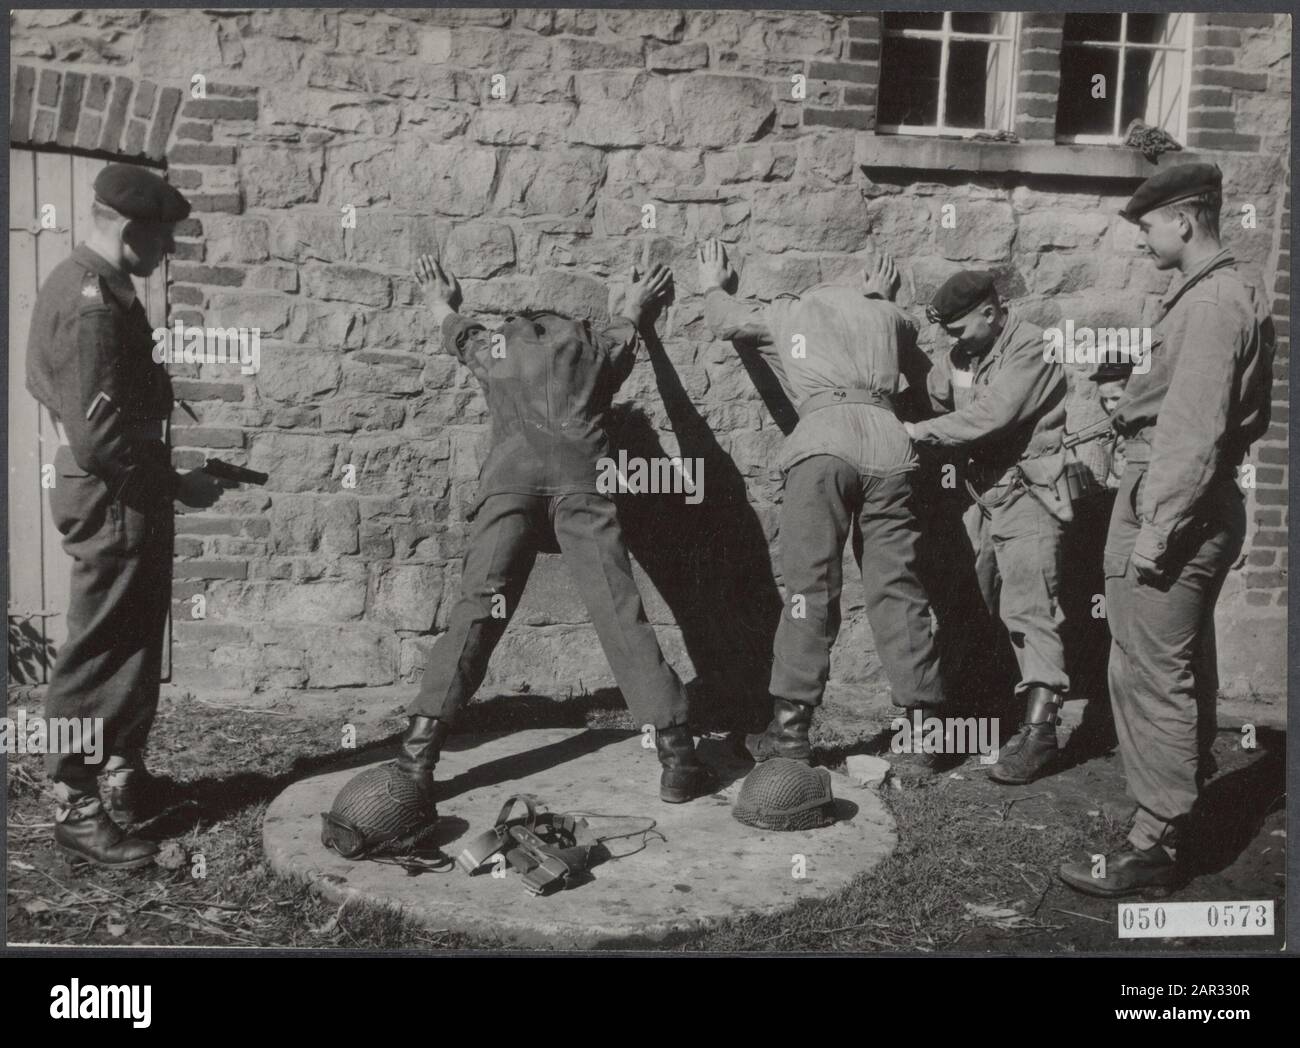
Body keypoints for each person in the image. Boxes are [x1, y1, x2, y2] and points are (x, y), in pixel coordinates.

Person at [389, 255, 717, 814]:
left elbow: (457, 329)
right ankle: (678, 757)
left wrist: (441, 301)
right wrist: (633, 298)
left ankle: (418, 757)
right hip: (583, 481)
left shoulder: (496, 347)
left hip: (510, 481)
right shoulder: (591, 348)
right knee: (619, 608)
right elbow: (627, 324)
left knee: (477, 610)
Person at [1060, 163, 1274, 896]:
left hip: (1173, 497)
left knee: (1150, 673)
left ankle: (1157, 843)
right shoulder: (1209, 294)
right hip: (1175, 492)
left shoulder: (1212, 304)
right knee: (1172, 665)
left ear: (1184, 219)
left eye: (1148, 226)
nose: (1143, 240)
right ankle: (1178, 808)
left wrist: (1157, 531)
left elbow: (1191, 432)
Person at [25, 164, 223, 869]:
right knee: (101, 649)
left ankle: (117, 776)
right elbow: (99, 439)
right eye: (165, 237)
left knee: (134, 638)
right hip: (115, 493)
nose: (169, 251)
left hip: (122, 490)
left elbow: (47, 387)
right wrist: (177, 484)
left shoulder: (95, 283)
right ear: (132, 229)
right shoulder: (93, 304)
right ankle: (75, 806)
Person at [697, 240, 946, 769]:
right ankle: (922, 735)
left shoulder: (788, 313)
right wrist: (880, 294)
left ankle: (790, 735)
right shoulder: (886, 313)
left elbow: (725, 322)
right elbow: (909, 330)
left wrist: (714, 284)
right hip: (890, 442)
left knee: (810, 589)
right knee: (898, 588)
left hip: (823, 443)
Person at [905, 271, 1071, 785]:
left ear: (992, 311)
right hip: (981, 497)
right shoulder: (962, 355)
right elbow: (934, 390)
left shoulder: (1035, 347)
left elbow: (990, 417)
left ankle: (1041, 735)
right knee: (969, 606)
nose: (951, 340)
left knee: (1029, 608)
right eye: (946, 332)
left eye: (958, 329)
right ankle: (967, 719)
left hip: (1028, 494)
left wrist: (917, 432)